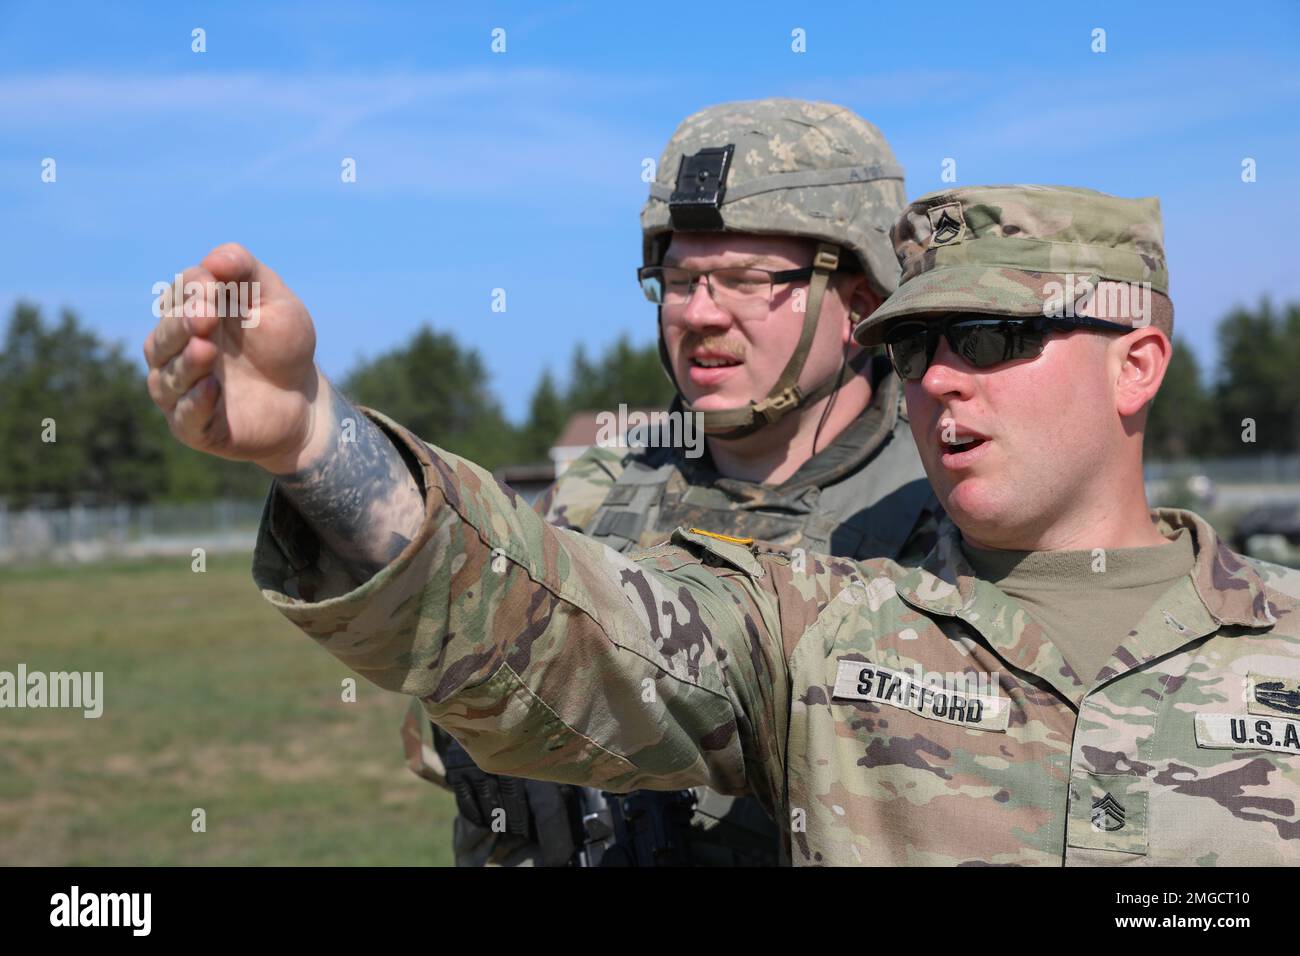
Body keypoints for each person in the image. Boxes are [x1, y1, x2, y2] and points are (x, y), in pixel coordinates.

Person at [148, 183, 1300, 865]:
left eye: (990, 339)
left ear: (1136, 365)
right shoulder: (820, 624)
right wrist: (312, 439)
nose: (940, 380)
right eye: (915, 344)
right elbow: (549, 620)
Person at [144, 99, 939, 867]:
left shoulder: (949, 515)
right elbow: (472, 610)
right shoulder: (599, 493)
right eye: (679, 278)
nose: (699, 313)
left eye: (744, 278)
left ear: (861, 299)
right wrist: (312, 436)